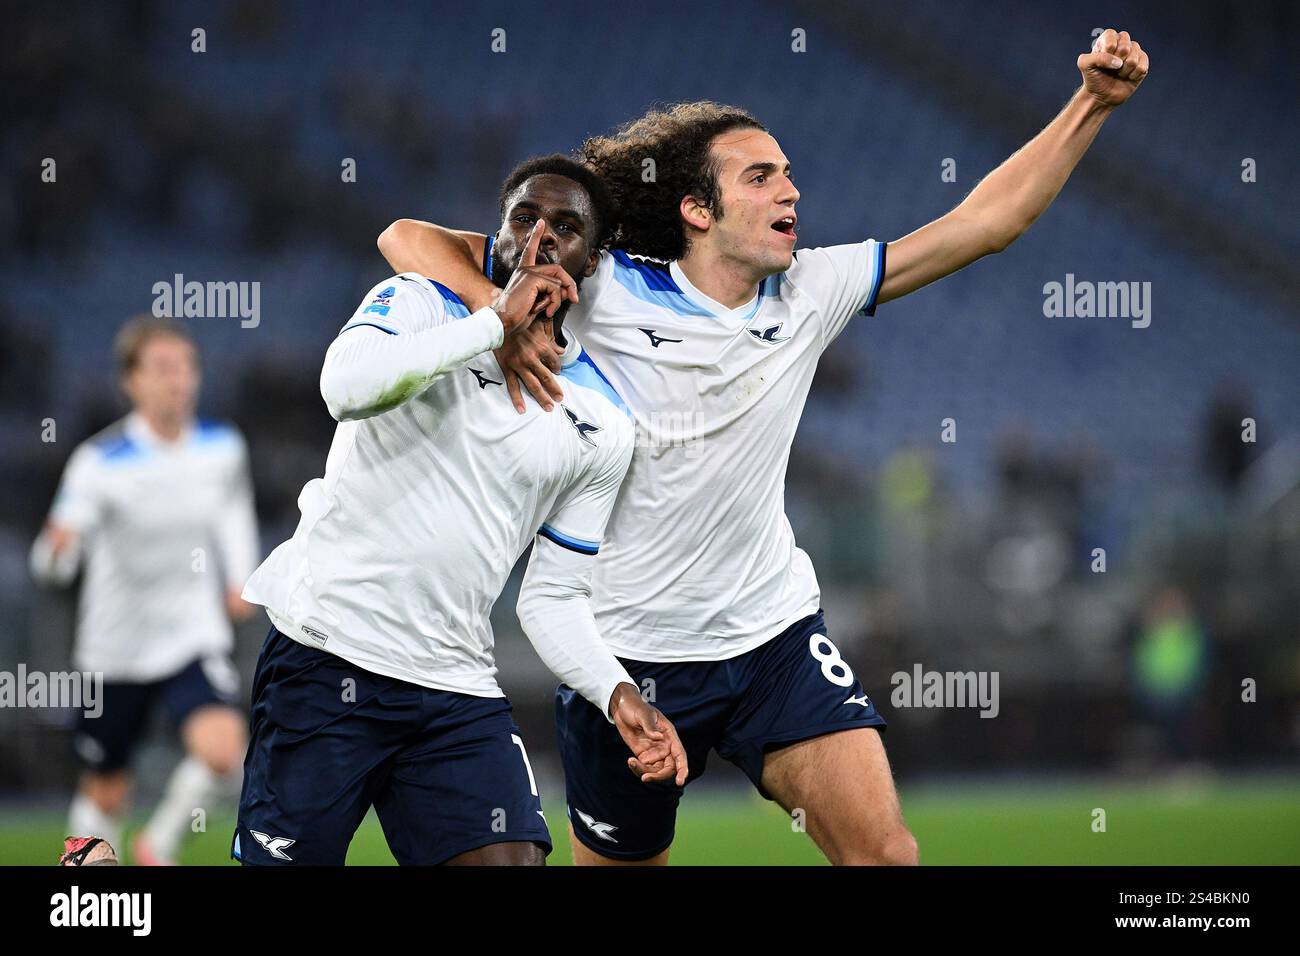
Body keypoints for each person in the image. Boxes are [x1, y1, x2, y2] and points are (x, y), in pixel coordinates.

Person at [377, 30, 1149, 865]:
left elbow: (986, 222)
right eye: (762, 176)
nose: (792, 189)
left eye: (786, 172)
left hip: (770, 638)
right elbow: (407, 238)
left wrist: (1092, 105)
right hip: (624, 659)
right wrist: (503, 318)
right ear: (697, 211)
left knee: (886, 855)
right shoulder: (601, 286)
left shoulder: (811, 289)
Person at [233, 157, 686, 866]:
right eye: (524, 218)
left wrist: (616, 690)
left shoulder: (601, 419)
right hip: (326, 657)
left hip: (454, 688)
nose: (539, 236)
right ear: (496, 235)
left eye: (565, 228)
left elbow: (555, 596)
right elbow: (344, 387)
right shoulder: (417, 301)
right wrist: (490, 326)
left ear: (589, 262)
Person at [31, 315, 259, 866]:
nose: (177, 380)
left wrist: (241, 579)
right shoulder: (98, 463)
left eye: (185, 367)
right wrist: (59, 551)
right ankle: (88, 894)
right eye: (161, 368)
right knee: (107, 787)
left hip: (189, 634)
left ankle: (158, 845)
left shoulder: (221, 447)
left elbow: (233, 514)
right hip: (116, 649)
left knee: (225, 751)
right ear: (131, 381)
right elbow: (51, 561)